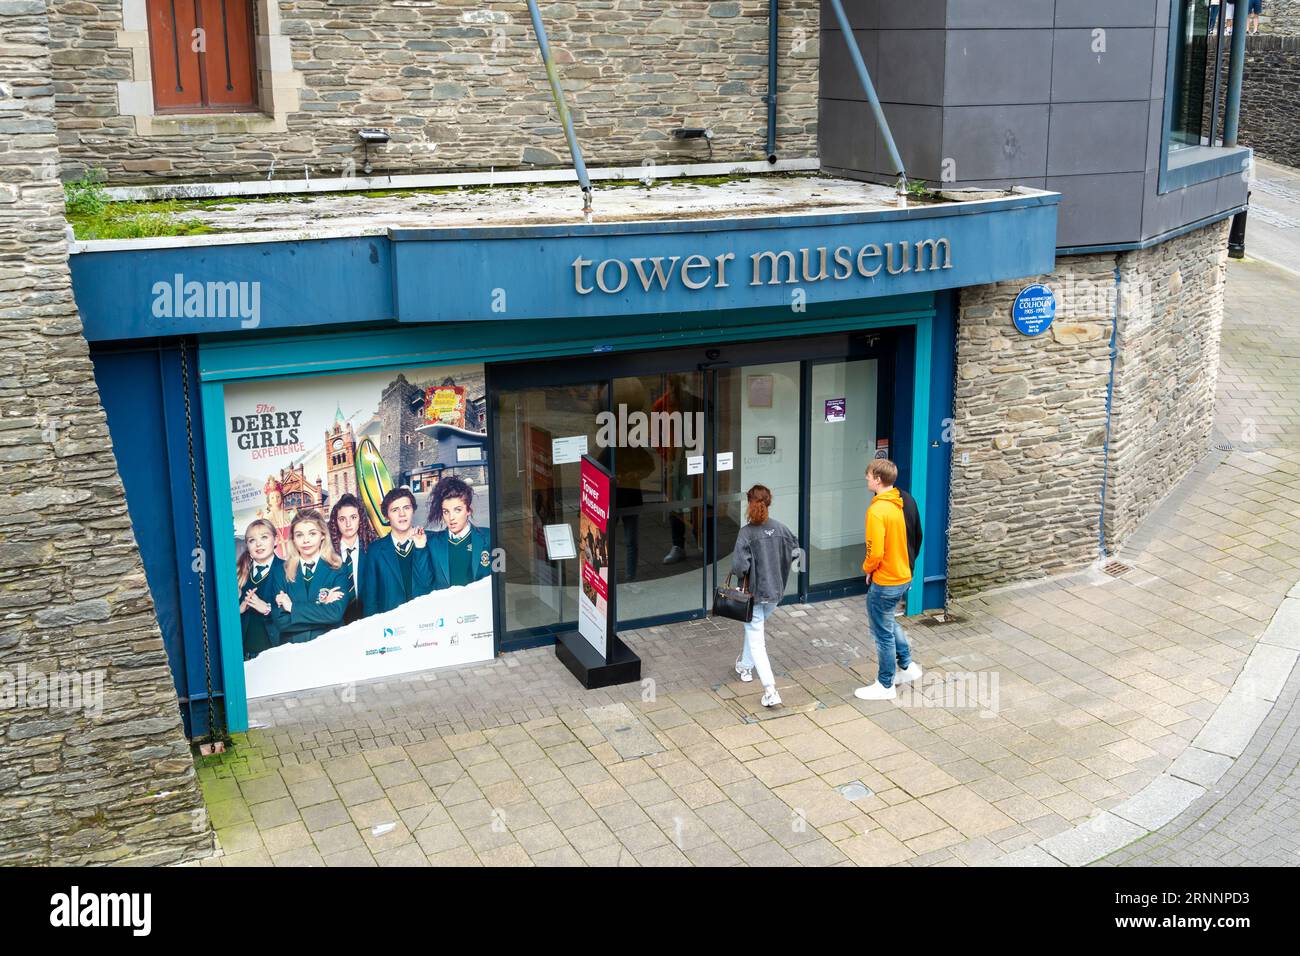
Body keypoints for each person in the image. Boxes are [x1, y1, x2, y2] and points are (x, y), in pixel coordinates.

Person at [854, 459, 922, 701]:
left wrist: (867, 569)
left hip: (885, 581)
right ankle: (907, 665)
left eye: (869, 474)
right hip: (904, 574)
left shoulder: (876, 511)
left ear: (878, 480)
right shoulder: (903, 502)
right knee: (889, 622)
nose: (866, 477)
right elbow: (917, 535)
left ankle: (885, 684)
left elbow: (874, 552)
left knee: (882, 632)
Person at [730, 484, 798, 708]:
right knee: (753, 629)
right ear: (769, 502)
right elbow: (795, 549)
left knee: (758, 641)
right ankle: (744, 667)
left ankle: (771, 691)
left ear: (749, 503)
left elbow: (739, 567)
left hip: (754, 595)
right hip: (775, 593)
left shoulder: (746, 533)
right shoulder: (780, 528)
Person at [270, 509, 351, 644]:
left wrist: (292, 608)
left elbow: (336, 614)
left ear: (323, 535)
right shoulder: (280, 572)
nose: (306, 540)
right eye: (299, 535)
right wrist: (322, 609)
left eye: (312, 533)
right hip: (293, 650)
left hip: (330, 646)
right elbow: (281, 621)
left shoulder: (338, 568)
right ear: (293, 539)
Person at [361, 487, 434, 614]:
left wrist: (420, 548)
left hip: (426, 620)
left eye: (406, 508)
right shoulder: (375, 551)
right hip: (391, 627)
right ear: (386, 516)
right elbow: (370, 600)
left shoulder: (431, 541)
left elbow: (428, 584)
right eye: (395, 510)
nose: (402, 514)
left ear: (413, 510)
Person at [426, 476, 492, 589]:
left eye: (457, 510)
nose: (451, 517)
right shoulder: (432, 542)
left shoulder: (489, 537)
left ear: (468, 511)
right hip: (446, 605)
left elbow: (502, 577)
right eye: (446, 512)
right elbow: (423, 583)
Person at [237, 518, 282, 660]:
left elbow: (298, 611)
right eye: (252, 540)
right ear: (247, 546)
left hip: (276, 652)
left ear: (275, 540)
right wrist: (238, 611)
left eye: (264, 537)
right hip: (243, 654)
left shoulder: (288, 570)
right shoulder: (238, 574)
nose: (258, 544)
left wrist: (268, 608)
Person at [329, 492, 374, 624]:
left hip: (367, 618)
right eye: (342, 519)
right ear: (336, 522)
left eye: (353, 517)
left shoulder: (372, 549)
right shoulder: (328, 553)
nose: (348, 523)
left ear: (360, 519)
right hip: (337, 621)